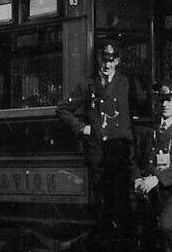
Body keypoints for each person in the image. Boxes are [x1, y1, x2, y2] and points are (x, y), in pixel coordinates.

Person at [57, 40, 140, 248]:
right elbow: (62, 109)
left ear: (118, 61)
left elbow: (144, 106)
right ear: (99, 59)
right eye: (104, 59)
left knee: (123, 205)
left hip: (121, 154)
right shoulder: (87, 85)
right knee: (102, 206)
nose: (107, 64)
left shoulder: (127, 84)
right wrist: (82, 128)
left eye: (111, 59)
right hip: (99, 155)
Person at [133, 79, 172, 252]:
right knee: (140, 230)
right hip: (149, 192)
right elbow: (136, 160)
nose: (164, 104)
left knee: (165, 226)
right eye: (161, 100)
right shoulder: (151, 130)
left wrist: (157, 179)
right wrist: (137, 178)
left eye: (169, 99)